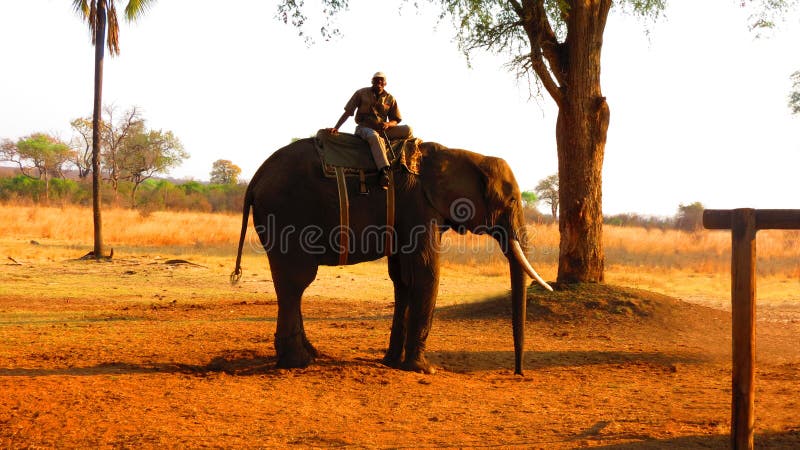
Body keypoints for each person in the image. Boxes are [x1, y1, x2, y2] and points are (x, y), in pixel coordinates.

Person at [327, 72, 413, 189]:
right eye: (376, 80)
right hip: (364, 128)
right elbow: (348, 112)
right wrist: (336, 127)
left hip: (383, 129)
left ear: (385, 83)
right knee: (373, 136)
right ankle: (383, 171)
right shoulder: (361, 93)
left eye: (381, 80)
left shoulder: (390, 98)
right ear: (372, 81)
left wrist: (388, 124)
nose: (379, 82)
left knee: (408, 130)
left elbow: (396, 120)